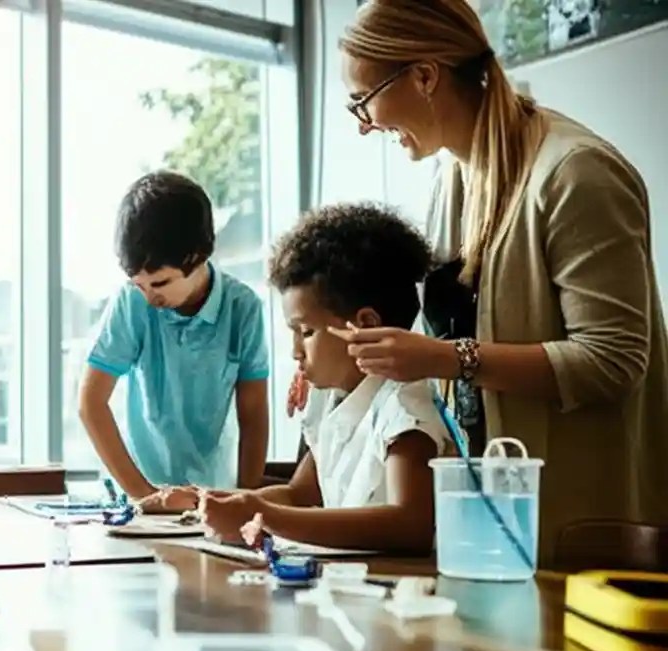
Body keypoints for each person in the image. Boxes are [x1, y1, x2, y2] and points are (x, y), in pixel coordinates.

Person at [310, 0, 668, 565]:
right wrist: (340, 366)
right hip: (489, 521)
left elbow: (613, 362)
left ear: (425, 75)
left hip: (580, 531)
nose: (364, 125)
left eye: (365, 100)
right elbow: (436, 343)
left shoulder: (577, 174)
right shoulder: (451, 179)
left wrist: (450, 359)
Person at [201, 203, 451, 552]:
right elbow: (298, 494)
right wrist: (209, 501)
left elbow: (410, 524)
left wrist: (263, 514)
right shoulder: (329, 399)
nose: (295, 352)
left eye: (306, 331)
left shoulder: (405, 404)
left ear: (364, 326)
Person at [79, 171, 270, 513]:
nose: (149, 296)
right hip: (136, 497)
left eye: (160, 283)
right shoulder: (131, 303)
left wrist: (246, 499)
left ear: (197, 256)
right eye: (138, 284)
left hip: (211, 500)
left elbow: (253, 414)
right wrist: (144, 495)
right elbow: (91, 403)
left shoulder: (244, 309)